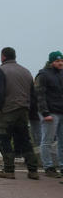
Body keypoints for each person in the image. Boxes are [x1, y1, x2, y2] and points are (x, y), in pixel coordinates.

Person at [0, 47, 39, 180]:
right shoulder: (26, 71)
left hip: (8, 110)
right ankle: (33, 170)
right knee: (25, 139)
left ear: (3, 56)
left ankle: (9, 170)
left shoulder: (1, 70)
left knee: (4, 138)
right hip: (23, 109)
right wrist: (32, 111)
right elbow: (33, 94)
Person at [35, 51, 63, 179]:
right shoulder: (43, 75)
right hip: (50, 112)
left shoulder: (61, 74)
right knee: (47, 140)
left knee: (62, 141)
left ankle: (62, 166)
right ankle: (48, 167)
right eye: (57, 61)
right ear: (51, 62)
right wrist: (45, 113)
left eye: (61, 61)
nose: (60, 63)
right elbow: (40, 95)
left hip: (61, 111)